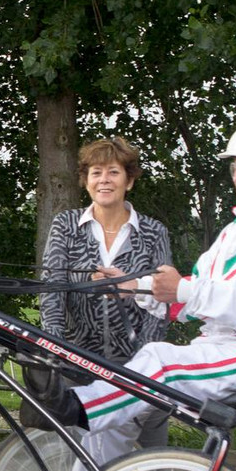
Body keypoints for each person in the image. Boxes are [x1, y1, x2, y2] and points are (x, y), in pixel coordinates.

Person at [69, 120, 236, 471]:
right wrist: (134, 286)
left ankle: (73, 407)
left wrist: (182, 289)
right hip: (226, 346)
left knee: (160, 362)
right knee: (118, 413)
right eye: (235, 168)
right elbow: (191, 296)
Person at [30, 137, 172, 443]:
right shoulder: (66, 225)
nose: (104, 180)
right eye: (96, 172)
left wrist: (143, 362)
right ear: (86, 181)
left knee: (149, 455)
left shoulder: (154, 232)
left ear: (129, 181)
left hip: (135, 365)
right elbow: (52, 290)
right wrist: (58, 349)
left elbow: (162, 301)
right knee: (81, 452)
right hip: (78, 362)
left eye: (113, 172)